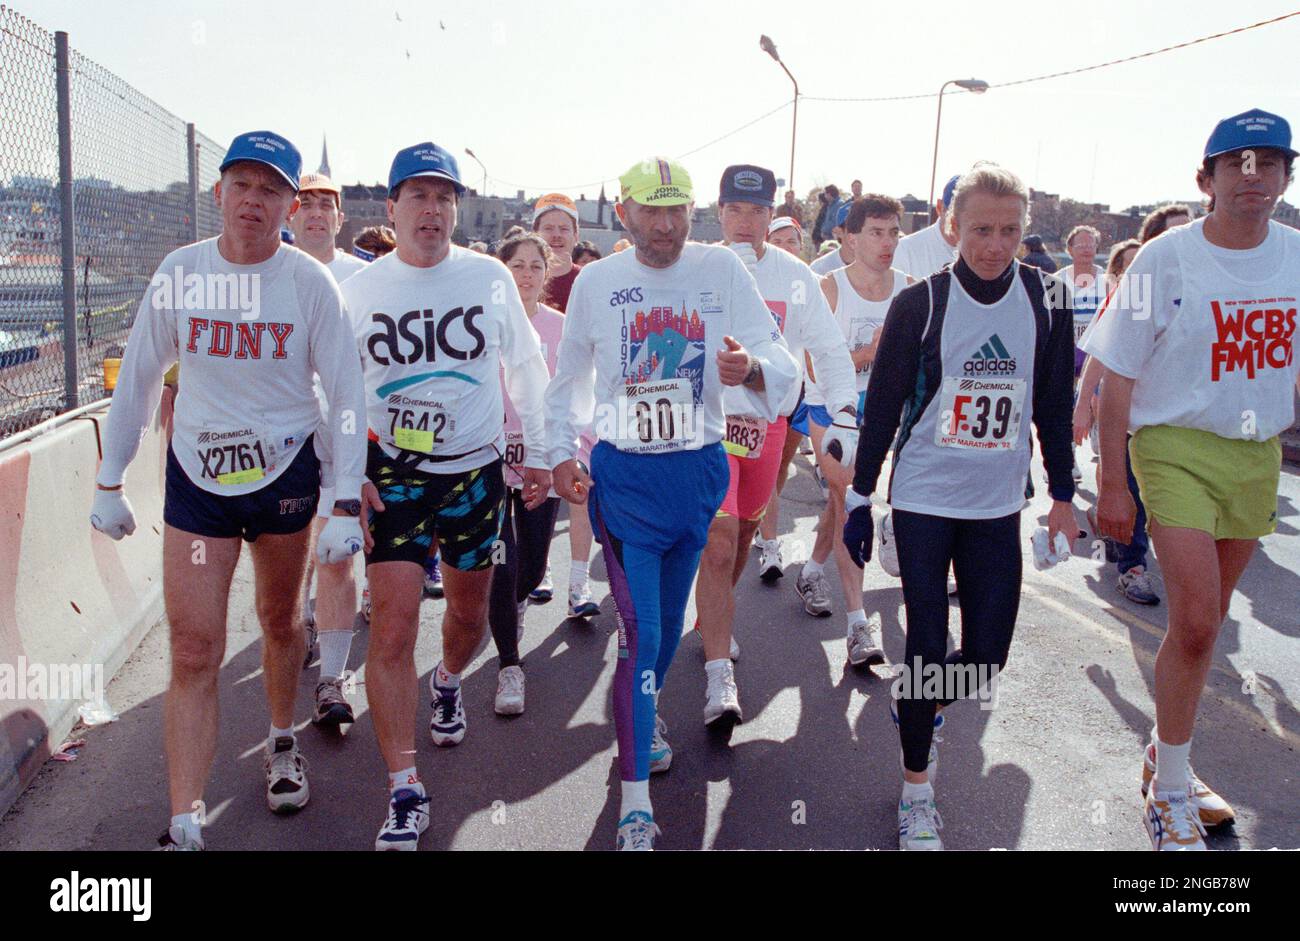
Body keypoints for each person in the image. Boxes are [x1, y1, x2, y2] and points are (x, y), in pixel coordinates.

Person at [89, 130, 368, 850]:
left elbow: (343, 391)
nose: (254, 200)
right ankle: (186, 817)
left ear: (291, 203)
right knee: (193, 647)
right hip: (200, 485)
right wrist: (109, 479)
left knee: (280, 621)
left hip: (283, 479)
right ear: (218, 193)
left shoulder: (312, 284)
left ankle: (281, 739)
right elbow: (143, 377)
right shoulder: (180, 274)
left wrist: (343, 497)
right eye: (242, 184)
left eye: (271, 188)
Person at [545, 156, 797, 850]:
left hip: (697, 475)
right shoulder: (597, 282)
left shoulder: (720, 271)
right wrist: (561, 452)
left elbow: (779, 359)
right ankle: (632, 802)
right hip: (626, 482)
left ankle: (642, 713)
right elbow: (567, 380)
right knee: (644, 634)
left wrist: (751, 369)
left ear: (694, 211)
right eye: (651, 211)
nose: (665, 225)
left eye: (677, 210)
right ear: (623, 213)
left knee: (658, 634)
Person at [842, 164, 1077, 850]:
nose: (994, 244)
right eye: (980, 229)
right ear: (953, 226)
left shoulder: (1049, 299)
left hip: (996, 503)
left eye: (1009, 230)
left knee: (985, 656)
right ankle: (917, 790)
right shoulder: (921, 304)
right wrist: (859, 496)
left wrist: (1063, 494)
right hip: (923, 495)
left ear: (1025, 230)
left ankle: (917, 701)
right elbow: (882, 405)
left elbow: (1054, 406)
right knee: (922, 642)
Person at [1084, 109, 1298, 851]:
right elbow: (1115, 376)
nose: (1251, 174)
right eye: (1234, 162)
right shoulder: (1164, 258)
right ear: (1204, 180)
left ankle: (1164, 754)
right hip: (1172, 446)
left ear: (1285, 177)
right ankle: (1170, 790)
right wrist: (1113, 482)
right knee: (1202, 620)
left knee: (1198, 632)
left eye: (1267, 162)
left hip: (1254, 452)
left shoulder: (1298, 257)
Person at [340, 141, 551, 850]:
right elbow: (333, 389)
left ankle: (451, 679)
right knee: (394, 628)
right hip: (395, 472)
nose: (431, 210)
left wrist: (544, 454)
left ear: (455, 209)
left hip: (473, 472)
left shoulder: (488, 277)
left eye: (444, 198)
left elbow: (525, 365)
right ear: (391, 207)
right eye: (417, 197)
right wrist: (346, 472)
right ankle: (405, 787)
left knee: (467, 614)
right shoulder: (362, 290)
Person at [694, 164, 857, 727]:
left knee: (739, 538)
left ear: (772, 215)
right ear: (720, 212)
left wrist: (843, 416)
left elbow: (830, 351)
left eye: (758, 211)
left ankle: (714, 613)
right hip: (705, 431)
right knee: (716, 542)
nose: (746, 222)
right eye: (735, 210)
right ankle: (720, 678)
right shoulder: (696, 266)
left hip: (764, 431)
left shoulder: (795, 276)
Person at [796, 196, 911, 654]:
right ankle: (858, 625)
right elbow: (812, 364)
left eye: (894, 233)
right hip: (833, 410)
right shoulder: (829, 289)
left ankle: (811, 571)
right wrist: (870, 355)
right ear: (849, 236)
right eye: (876, 233)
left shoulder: (911, 290)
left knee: (843, 505)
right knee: (851, 500)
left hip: (887, 411)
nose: (887, 243)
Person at [486, 231, 586, 714]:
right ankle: (509, 664)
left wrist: (570, 451)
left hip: (542, 462)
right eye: (516, 265)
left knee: (532, 567)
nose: (525, 275)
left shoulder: (561, 328)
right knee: (501, 567)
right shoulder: (483, 321)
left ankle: (517, 604)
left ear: (546, 274)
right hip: (487, 461)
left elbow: (574, 395)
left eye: (534, 266)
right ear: (502, 270)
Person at [288, 171, 370, 724]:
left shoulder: (365, 279)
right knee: (296, 560)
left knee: (335, 554)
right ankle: (304, 620)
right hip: (285, 443)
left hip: (346, 439)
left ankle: (333, 681)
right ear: (290, 215)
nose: (317, 213)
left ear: (341, 219)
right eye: (306, 204)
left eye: (327, 205)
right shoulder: (269, 274)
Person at [1073, 237, 1160, 604]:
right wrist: (1084, 401)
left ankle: (1106, 519)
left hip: (1165, 422)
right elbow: (1097, 356)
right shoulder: (1120, 302)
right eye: (1126, 266)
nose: (1134, 272)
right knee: (1130, 491)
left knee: (1148, 499)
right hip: (1122, 413)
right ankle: (1132, 567)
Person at [892, 173, 961, 280]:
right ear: (939, 207)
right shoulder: (905, 251)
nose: (960, 223)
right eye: (954, 214)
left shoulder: (989, 255)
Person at [810, 201, 854, 275]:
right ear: (839, 232)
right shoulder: (819, 269)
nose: (860, 233)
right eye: (854, 228)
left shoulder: (877, 267)